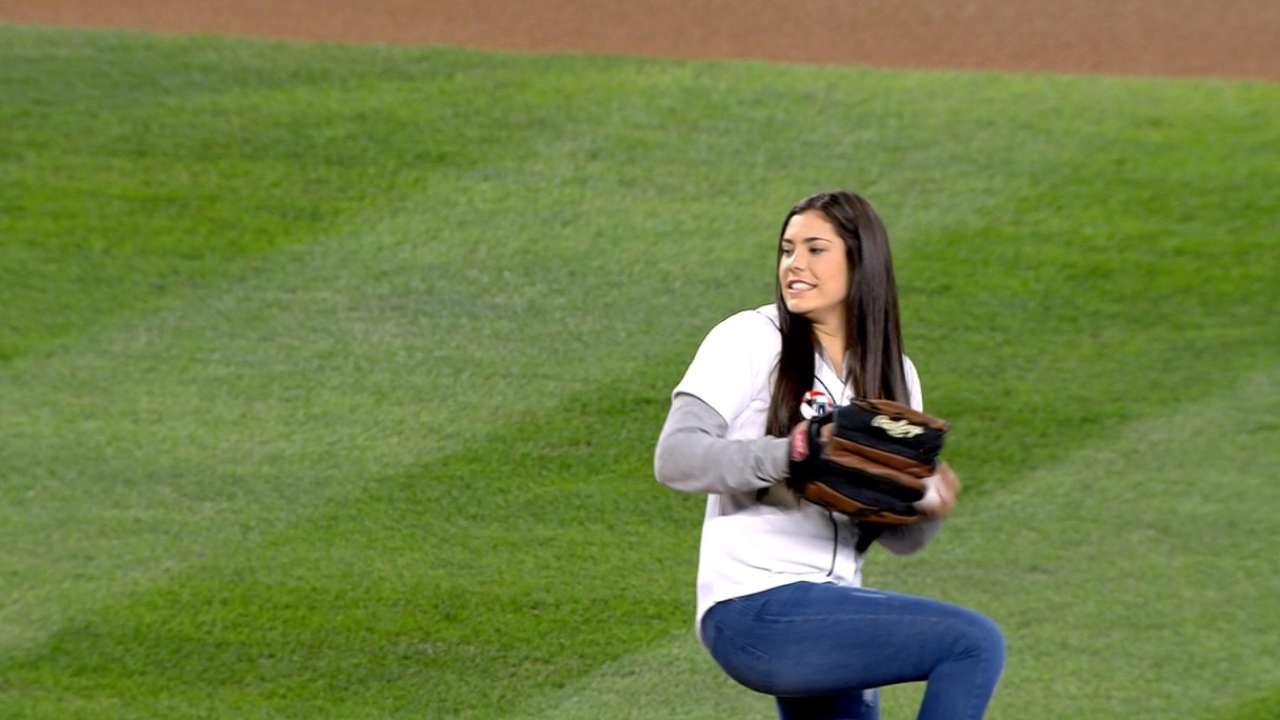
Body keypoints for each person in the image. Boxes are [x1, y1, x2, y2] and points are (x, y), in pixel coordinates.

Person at [653, 190, 1005, 719]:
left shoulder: (894, 376)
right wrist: (792, 454)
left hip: (830, 612)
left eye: (815, 249)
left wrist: (924, 505)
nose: (794, 264)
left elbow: (899, 538)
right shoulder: (751, 338)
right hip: (756, 605)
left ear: (860, 262)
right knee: (971, 643)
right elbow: (676, 457)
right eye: (787, 249)